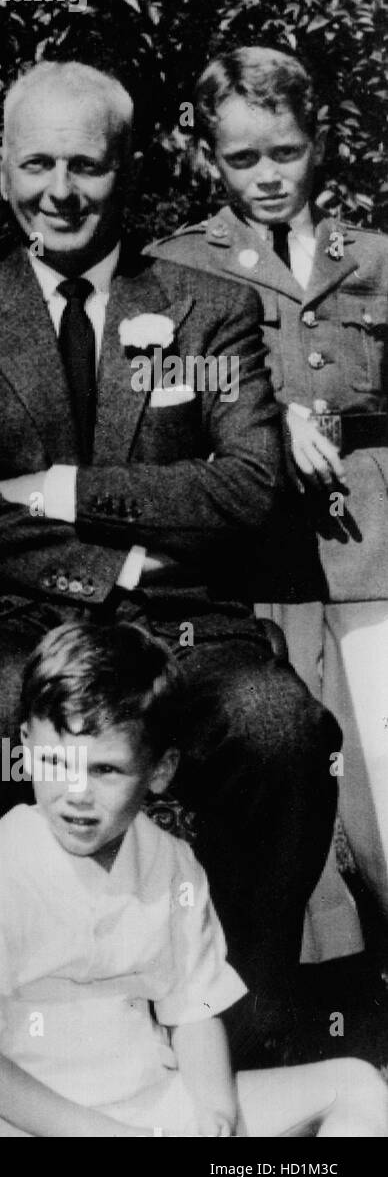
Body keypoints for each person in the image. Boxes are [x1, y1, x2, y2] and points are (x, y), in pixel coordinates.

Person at [0, 60, 338, 1058]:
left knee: (271, 727)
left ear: (127, 169)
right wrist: (117, 572)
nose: (60, 191)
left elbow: (244, 485)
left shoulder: (203, 306)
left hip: (186, 626)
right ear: (3, 167)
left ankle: (245, 1021)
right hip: (12, 614)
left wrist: (65, 492)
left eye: (86, 166)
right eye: (37, 163)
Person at [0, 622, 388, 1137]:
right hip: (21, 1118)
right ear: (24, 747)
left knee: (357, 1084)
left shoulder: (173, 866)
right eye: (55, 761)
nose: (77, 792)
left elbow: (194, 1009)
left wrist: (214, 1110)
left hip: (144, 1104)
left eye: (107, 770)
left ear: (160, 770)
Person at [147, 46, 388, 924]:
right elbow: (155, 418)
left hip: (374, 549)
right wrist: (264, 414)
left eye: (283, 152)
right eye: (242, 158)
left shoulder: (373, 259)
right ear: (209, 158)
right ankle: (298, 999)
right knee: (285, 773)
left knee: (384, 776)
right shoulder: (176, 266)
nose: (267, 175)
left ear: (315, 143)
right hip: (255, 556)